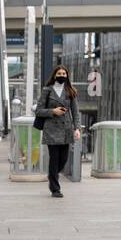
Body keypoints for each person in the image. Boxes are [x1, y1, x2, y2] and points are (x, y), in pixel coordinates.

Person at [35, 65, 81, 198]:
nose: (62, 75)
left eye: (64, 74)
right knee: (54, 159)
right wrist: (53, 111)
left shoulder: (70, 91)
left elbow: (75, 112)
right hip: (51, 129)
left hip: (66, 129)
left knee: (64, 159)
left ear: (67, 76)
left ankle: (52, 175)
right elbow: (38, 110)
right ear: (55, 75)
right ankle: (55, 188)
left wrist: (77, 129)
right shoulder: (47, 90)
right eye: (59, 73)